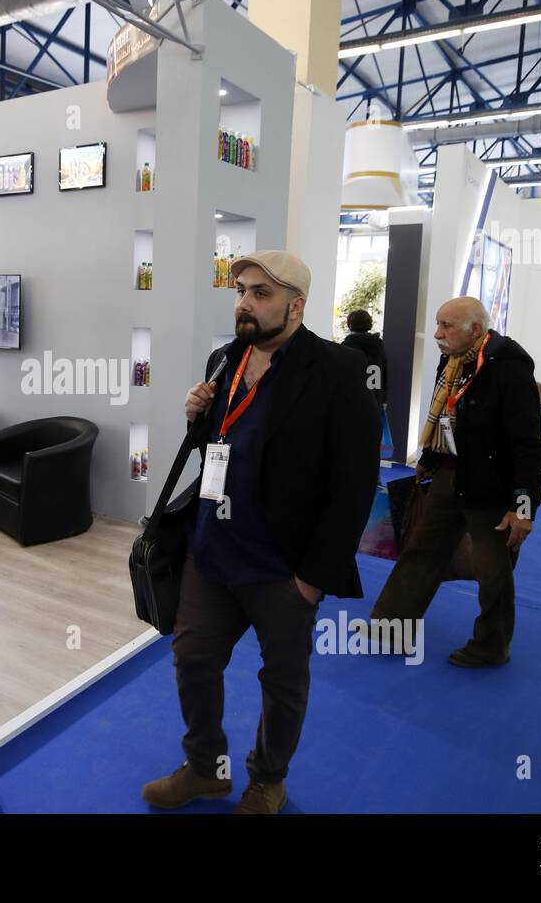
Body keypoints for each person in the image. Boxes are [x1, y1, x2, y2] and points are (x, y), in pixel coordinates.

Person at [140, 250, 380, 815]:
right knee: (192, 660)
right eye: (241, 290)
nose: (244, 303)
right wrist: (196, 416)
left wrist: (312, 579)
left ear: (296, 306)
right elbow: (216, 449)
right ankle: (205, 768)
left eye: (260, 294)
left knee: (283, 679)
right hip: (212, 550)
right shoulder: (225, 360)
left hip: (283, 564)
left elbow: (354, 487)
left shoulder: (339, 372)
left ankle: (267, 780)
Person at [365, 297, 541, 667]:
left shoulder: (509, 370)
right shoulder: (451, 363)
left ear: (476, 330)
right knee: (421, 549)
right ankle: (390, 626)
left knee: (493, 567)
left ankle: (491, 646)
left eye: (447, 326)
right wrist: (429, 460)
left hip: (492, 486)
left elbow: (527, 445)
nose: (438, 334)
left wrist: (523, 506)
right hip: (449, 475)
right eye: (438, 324)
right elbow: (448, 419)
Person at [341, 309, 387, 406]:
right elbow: (384, 371)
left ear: (350, 325)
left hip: (352, 402)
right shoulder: (379, 345)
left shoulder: (346, 346)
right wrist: (383, 399)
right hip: (375, 400)